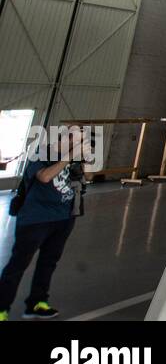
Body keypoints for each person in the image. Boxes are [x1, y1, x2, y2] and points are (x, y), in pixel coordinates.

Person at [0, 125, 90, 320]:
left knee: (48, 262)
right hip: (36, 219)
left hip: (63, 218)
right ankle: (1, 307)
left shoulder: (74, 158)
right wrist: (69, 157)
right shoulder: (40, 154)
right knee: (18, 263)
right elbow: (45, 177)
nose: (80, 143)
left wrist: (85, 161)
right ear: (64, 138)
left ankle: (37, 302)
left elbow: (86, 179)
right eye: (77, 139)